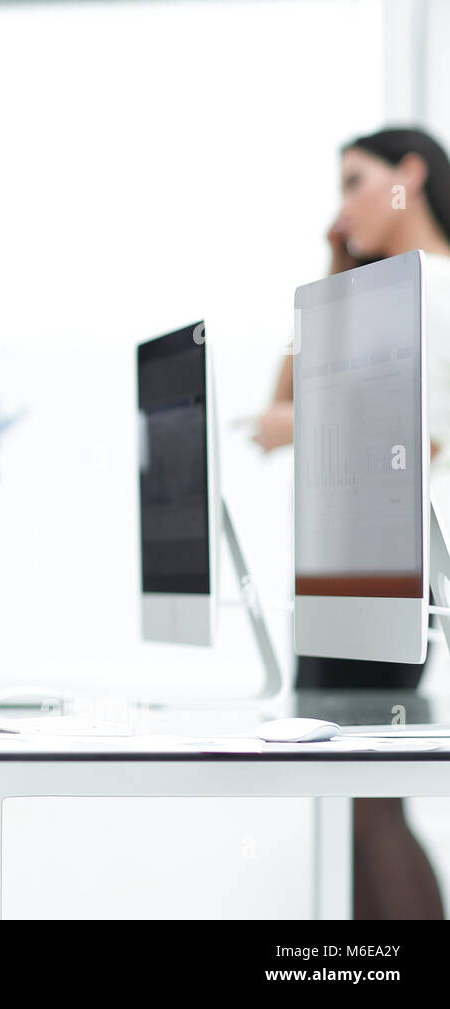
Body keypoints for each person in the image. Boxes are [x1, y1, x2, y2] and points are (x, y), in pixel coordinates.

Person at [253, 126, 450, 919]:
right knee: (348, 793)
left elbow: (413, 428)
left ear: (410, 173)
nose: (343, 207)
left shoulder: (433, 288)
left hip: (390, 568)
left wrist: (298, 421)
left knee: (369, 798)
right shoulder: (378, 291)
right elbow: (290, 387)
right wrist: (337, 272)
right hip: (341, 567)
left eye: (354, 181)